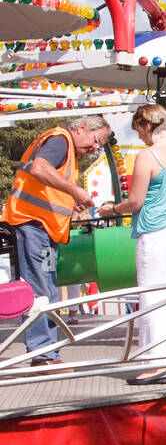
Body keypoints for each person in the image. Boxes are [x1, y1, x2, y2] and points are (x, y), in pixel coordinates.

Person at [98, 105, 166, 385]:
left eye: (139, 131)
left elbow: (136, 201)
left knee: (153, 296)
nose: (139, 137)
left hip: (156, 233)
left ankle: (156, 363)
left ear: (147, 126)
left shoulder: (147, 156)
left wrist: (113, 208)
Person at [3, 114, 107, 366]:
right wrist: (75, 190)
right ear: (81, 128)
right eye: (95, 141)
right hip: (33, 225)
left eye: (100, 146)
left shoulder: (66, 148)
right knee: (41, 291)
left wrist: (72, 200)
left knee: (48, 290)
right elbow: (39, 168)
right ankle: (43, 353)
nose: (95, 148)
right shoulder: (60, 140)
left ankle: (47, 352)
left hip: (43, 228)